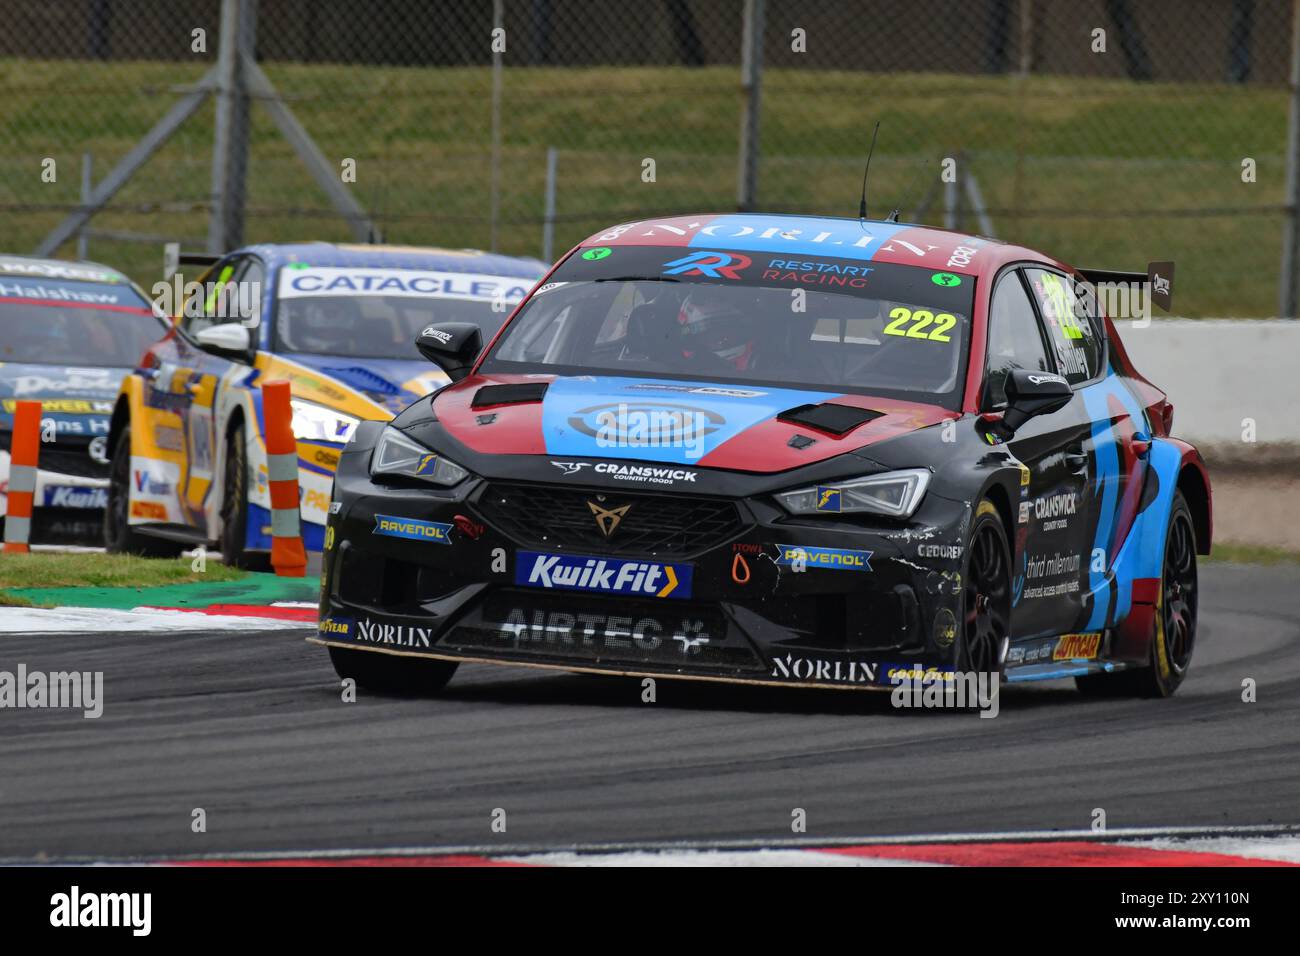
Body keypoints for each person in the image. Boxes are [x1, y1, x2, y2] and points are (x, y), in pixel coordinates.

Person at [279, 297, 360, 353]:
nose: (329, 302)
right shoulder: (307, 308)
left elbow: (353, 331)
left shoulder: (350, 309)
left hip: (341, 349)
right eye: (326, 300)